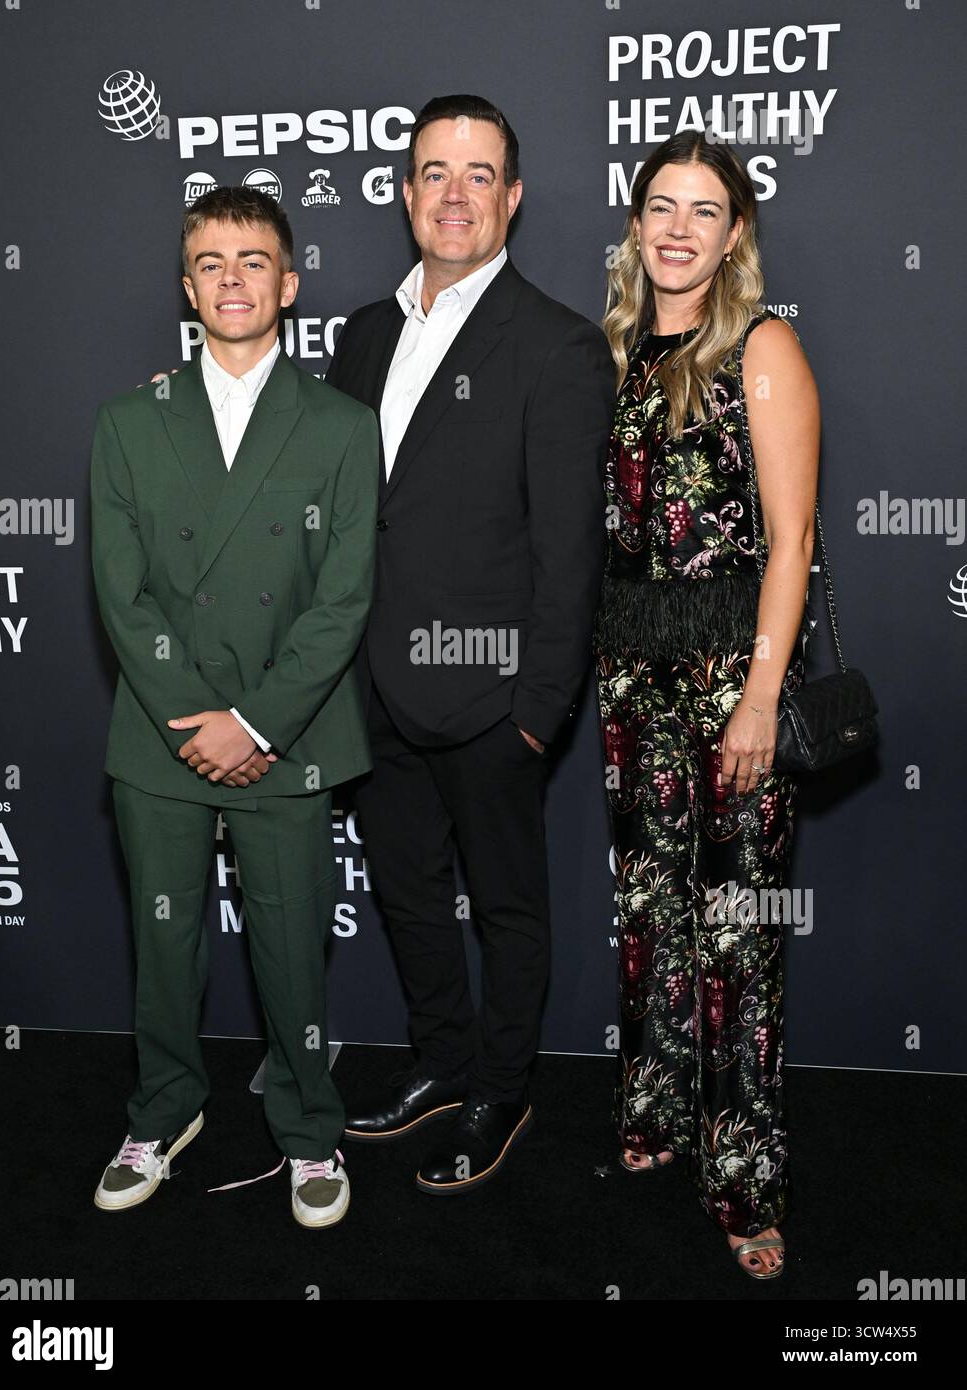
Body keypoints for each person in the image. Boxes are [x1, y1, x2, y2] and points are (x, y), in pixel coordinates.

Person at [327, 95, 614, 1192]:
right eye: (435, 173)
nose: (455, 194)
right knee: (406, 891)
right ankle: (442, 1061)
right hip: (371, 694)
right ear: (406, 195)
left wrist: (539, 707)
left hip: (495, 700)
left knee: (507, 906)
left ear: (515, 197)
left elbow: (569, 549)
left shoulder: (556, 345)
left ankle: (503, 1087)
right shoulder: (361, 334)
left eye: (479, 174)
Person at [89, 186, 378, 1228]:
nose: (232, 280)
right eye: (210, 262)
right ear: (187, 287)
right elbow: (120, 594)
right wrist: (197, 720)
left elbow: (345, 596)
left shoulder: (343, 427)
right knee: (164, 948)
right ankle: (163, 1109)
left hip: (285, 737)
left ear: (290, 283)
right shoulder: (128, 420)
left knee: (293, 948)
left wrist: (253, 725)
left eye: (253, 261)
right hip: (162, 734)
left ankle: (310, 1128)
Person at [594, 131, 819, 1278]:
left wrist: (761, 700)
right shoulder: (618, 347)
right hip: (631, 673)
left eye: (705, 210)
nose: (679, 228)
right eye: (661, 207)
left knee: (738, 935)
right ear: (637, 225)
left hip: (737, 674)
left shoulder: (763, 347)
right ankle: (658, 1115)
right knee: (651, 916)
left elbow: (793, 543)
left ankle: (746, 1180)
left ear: (735, 235)